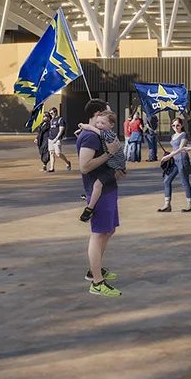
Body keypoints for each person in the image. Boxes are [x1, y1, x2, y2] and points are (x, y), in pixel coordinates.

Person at [78, 100, 125, 295]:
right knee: (98, 234)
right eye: (107, 110)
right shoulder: (90, 137)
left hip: (108, 188)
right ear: (98, 113)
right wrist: (109, 154)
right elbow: (85, 166)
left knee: (109, 230)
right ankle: (97, 283)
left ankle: (94, 269)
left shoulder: (98, 134)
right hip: (100, 192)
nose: (111, 111)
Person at [157, 117, 191, 212]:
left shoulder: (184, 135)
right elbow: (175, 148)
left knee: (184, 181)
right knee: (167, 180)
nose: (175, 127)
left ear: (181, 125)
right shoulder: (173, 136)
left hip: (182, 159)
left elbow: (181, 148)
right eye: (173, 125)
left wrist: (169, 156)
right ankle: (167, 204)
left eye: (177, 125)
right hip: (174, 160)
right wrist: (170, 156)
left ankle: (190, 204)